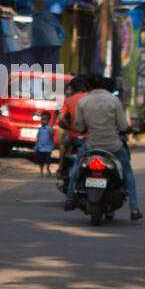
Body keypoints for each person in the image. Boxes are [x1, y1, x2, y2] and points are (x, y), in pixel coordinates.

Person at [69, 74, 142, 222]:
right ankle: (134, 208)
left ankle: (70, 197)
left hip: (91, 145)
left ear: (88, 86)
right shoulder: (114, 100)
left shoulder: (83, 101)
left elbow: (79, 126)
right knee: (127, 171)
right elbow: (122, 126)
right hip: (113, 146)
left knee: (76, 167)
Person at [57, 75, 91, 206]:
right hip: (90, 138)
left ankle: (61, 171)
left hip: (74, 138)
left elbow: (61, 119)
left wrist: (68, 126)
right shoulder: (91, 99)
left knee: (65, 153)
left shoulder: (69, 101)